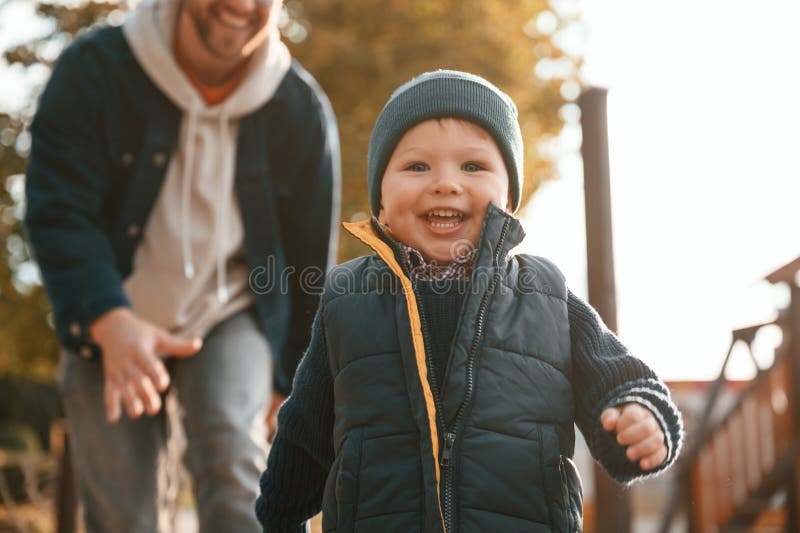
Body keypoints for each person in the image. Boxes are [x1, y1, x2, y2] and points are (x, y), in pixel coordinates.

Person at [255, 70, 683, 532]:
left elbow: (619, 379)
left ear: (509, 198)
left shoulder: (547, 295)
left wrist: (640, 420)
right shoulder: (346, 300)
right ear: (380, 201)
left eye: (473, 166)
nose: (445, 183)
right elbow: (302, 440)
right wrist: (277, 518)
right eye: (417, 167)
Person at [24, 0, 339, 530]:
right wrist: (107, 318)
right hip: (111, 311)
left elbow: (309, 261)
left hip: (231, 310)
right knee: (123, 513)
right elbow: (59, 210)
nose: (242, 5)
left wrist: (291, 380)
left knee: (237, 461)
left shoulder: (298, 106)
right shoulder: (94, 70)